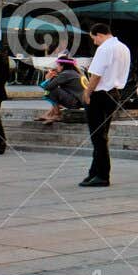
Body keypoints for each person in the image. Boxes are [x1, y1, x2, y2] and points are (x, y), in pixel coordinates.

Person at [80, 23, 130, 188]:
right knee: (101, 134)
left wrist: (87, 92)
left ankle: (102, 174)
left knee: (98, 137)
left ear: (99, 34)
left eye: (94, 38)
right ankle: (94, 172)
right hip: (114, 93)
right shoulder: (123, 48)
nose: (94, 42)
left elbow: (96, 75)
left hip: (101, 94)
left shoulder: (104, 49)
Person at [37, 56, 85, 123]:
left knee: (52, 91)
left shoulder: (66, 74)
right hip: (78, 102)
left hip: (75, 103)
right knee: (57, 92)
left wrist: (47, 79)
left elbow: (47, 87)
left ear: (62, 66)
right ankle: (48, 114)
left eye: (58, 65)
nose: (57, 67)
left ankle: (57, 115)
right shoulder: (72, 72)